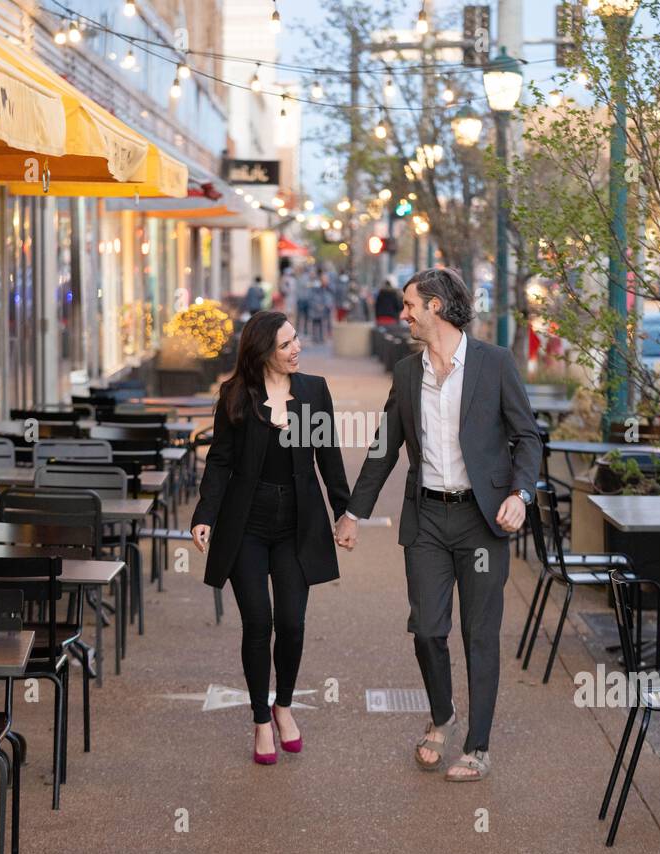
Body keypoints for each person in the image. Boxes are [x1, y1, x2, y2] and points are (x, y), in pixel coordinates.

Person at [335, 268, 540, 782]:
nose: (403, 314)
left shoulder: (494, 363)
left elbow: (528, 437)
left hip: (481, 520)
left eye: (410, 305)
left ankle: (478, 746)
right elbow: (384, 448)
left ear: (437, 306)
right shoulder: (408, 372)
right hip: (426, 517)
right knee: (427, 629)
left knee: (479, 633)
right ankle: (443, 714)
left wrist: (520, 494)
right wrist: (354, 512)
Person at [190, 310, 350, 765]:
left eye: (295, 339)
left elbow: (329, 455)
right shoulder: (236, 396)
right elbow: (220, 461)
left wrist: (345, 513)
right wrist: (205, 514)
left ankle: (284, 706)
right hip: (247, 524)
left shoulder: (314, 391)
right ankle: (261, 718)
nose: (297, 348)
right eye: (285, 344)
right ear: (263, 352)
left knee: (292, 624)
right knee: (259, 622)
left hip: (298, 525)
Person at [306, 272, 336, 345]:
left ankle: (322, 337)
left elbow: (332, 294)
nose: (326, 281)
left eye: (326, 279)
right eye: (324, 279)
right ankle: (315, 338)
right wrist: (317, 305)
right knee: (316, 322)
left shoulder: (329, 287)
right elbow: (312, 297)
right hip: (317, 307)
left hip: (326, 307)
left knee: (324, 323)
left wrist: (327, 305)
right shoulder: (316, 287)